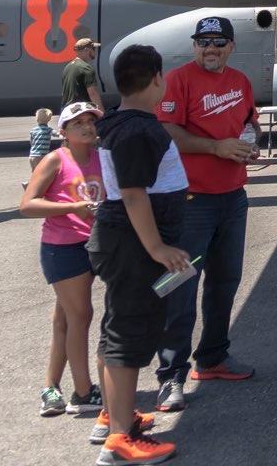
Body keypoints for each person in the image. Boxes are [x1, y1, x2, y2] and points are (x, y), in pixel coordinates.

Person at [88, 45, 188, 466]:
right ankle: (119, 441)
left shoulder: (118, 121)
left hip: (119, 241)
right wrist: (157, 248)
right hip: (132, 245)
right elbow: (132, 193)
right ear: (156, 79)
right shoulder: (140, 130)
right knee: (129, 334)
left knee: (117, 326)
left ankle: (116, 414)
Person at [154, 15, 259, 412]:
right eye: (202, 42)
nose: (209, 49)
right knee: (178, 286)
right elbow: (166, 129)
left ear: (231, 46)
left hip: (233, 198)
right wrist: (215, 148)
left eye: (217, 42)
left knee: (225, 280)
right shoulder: (179, 80)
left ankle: (213, 357)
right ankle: (170, 375)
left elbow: (249, 123)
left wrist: (250, 143)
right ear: (195, 45)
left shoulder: (241, 81)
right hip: (191, 202)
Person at [20, 100, 106, 418]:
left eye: (91, 121)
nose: (87, 127)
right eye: (78, 123)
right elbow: (28, 204)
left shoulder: (103, 158)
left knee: (65, 320)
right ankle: (83, 392)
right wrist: (71, 208)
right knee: (81, 315)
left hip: (97, 246)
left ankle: (50, 389)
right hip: (63, 247)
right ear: (63, 131)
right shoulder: (55, 160)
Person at [63, 37, 104, 110]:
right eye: (93, 49)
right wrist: (101, 112)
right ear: (86, 50)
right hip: (81, 110)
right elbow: (93, 93)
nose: (95, 52)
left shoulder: (67, 67)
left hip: (68, 110)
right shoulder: (86, 68)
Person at [29, 107, 56, 175]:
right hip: (42, 155)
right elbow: (55, 133)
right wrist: (61, 134)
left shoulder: (33, 130)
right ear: (49, 119)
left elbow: (31, 142)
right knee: (43, 173)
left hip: (32, 155)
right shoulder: (48, 129)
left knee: (35, 172)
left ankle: (31, 183)